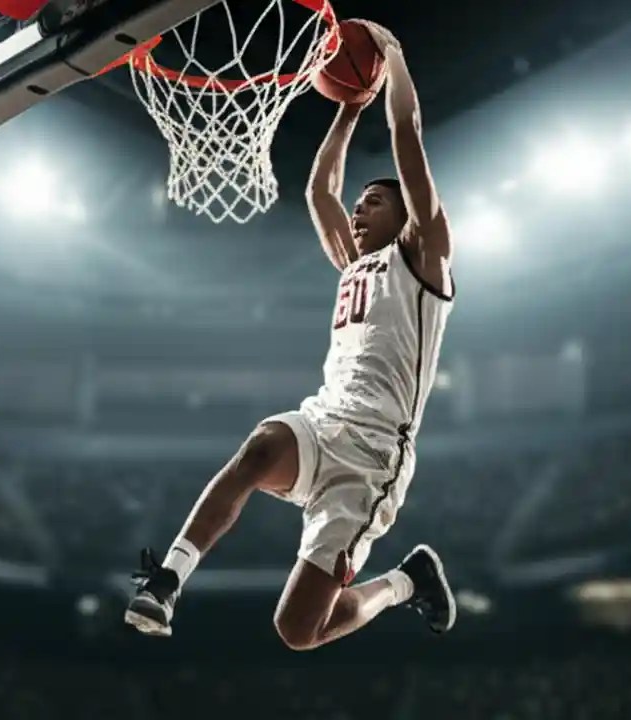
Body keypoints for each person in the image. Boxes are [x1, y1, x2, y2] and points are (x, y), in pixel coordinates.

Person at [125, 21, 456, 650]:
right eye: (358, 203)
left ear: (405, 214)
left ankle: (407, 581)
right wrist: (348, 110)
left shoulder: (424, 256)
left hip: (372, 457)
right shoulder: (354, 264)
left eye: (372, 202)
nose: (357, 209)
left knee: (297, 630)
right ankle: (167, 580)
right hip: (323, 420)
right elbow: (317, 190)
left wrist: (395, 57)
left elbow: (407, 135)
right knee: (257, 448)